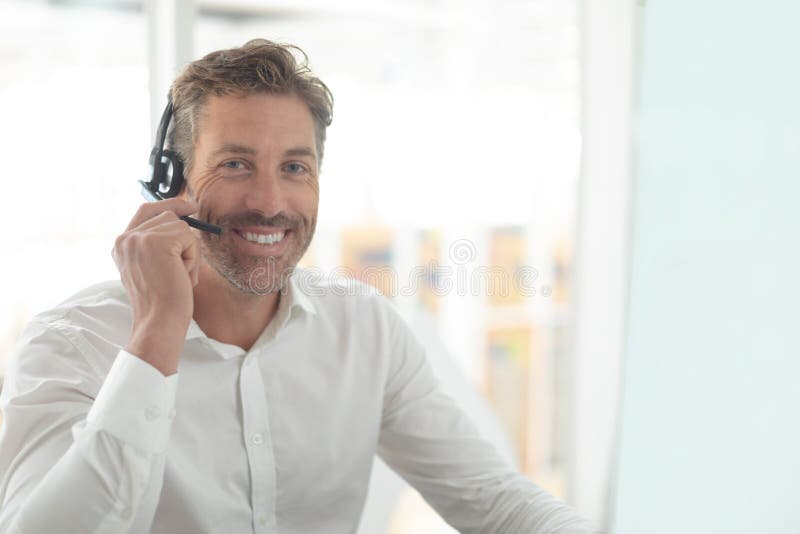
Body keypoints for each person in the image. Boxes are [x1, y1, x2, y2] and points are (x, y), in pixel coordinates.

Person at [0, 39, 597, 534]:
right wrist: (157, 333)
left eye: (294, 168)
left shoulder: (364, 328)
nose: (269, 202)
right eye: (235, 164)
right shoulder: (71, 343)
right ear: (171, 183)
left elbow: (494, 499)